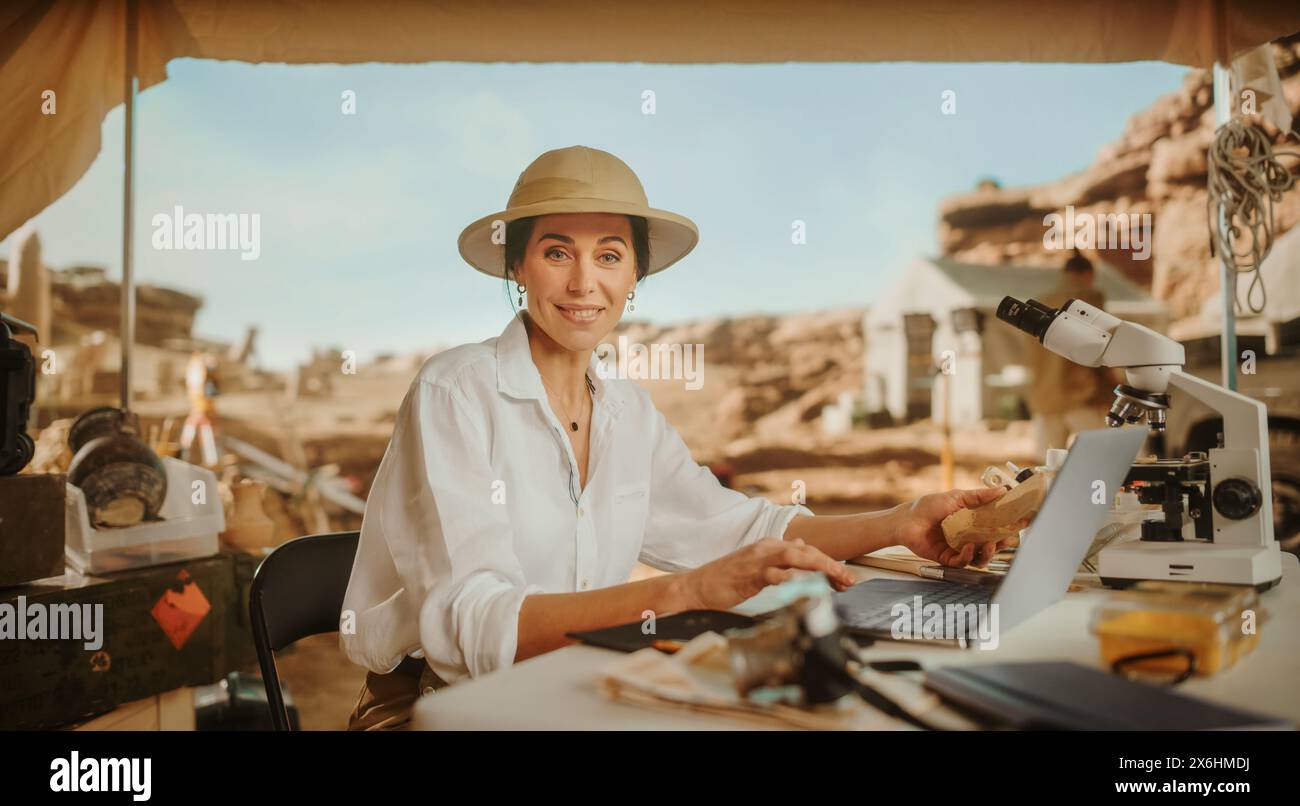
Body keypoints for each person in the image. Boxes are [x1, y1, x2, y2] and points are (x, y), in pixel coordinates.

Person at [340, 146, 1015, 729]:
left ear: (636, 277)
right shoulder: (454, 390)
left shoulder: (628, 412)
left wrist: (900, 523)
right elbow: (473, 626)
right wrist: (682, 594)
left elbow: (742, 528)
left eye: (609, 254)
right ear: (517, 266)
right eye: (556, 252)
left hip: (568, 686)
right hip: (438, 705)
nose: (584, 282)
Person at [1026, 252, 1114, 456]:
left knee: (1048, 468)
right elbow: (1101, 344)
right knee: (1098, 459)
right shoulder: (1090, 297)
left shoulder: (1042, 300)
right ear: (1088, 274)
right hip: (1082, 394)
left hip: (1046, 397)